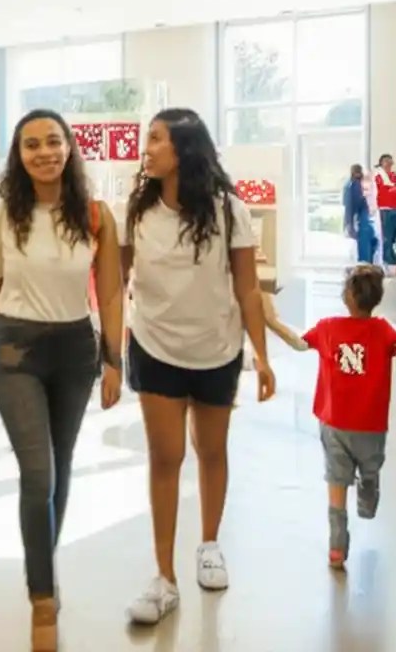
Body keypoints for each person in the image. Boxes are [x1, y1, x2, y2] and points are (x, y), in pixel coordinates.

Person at [0, 108, 124, 651]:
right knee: (37, 473)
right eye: (31, 144)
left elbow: (110, 293)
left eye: (53, 142)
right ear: (18, 155)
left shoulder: (95, 215)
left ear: (69, 147)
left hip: (74, 352)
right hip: (15, 349)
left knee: (60, 469)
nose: (44, 152)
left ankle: (44, 560)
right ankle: (43, 595)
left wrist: (114, 359)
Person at [123, 108, 273, 625]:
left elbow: (247, 287)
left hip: (216, 350)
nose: (147, 147)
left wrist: (262, 354)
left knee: (211, 451)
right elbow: (115, 276)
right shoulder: (138, 209)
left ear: (183, 149)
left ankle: (209, 544)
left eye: (157, 139)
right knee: (165, 457)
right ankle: (163, 577)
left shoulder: (229, 210)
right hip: (154, 346)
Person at [261, 265, 396, 568]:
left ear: (347, 295)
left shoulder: (328, 327)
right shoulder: (384, 330)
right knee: (370, 467)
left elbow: (297, 343)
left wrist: (272, 321)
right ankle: (368, 490)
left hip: (333, 423)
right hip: (371, 424)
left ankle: (337, 545)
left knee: (336, 478)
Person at [374, 153, 396, 275]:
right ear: (381, 163)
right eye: (386, 161)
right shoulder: (378, 176)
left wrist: (395, 187)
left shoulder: (394, 176)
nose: (389, 164)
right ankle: (389, 263)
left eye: (390, 161)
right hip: (385, 210)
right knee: (387, 238)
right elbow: (383, 191)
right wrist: (395, 187)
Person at [344, 164, 377, 264]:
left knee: (369, 242)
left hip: (364, 218)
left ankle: (366, 264)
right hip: (360, 218)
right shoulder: (353, 185)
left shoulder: (355, 184)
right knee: (364, 245)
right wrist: (349, 223)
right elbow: (350, 205)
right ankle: (365, 265)